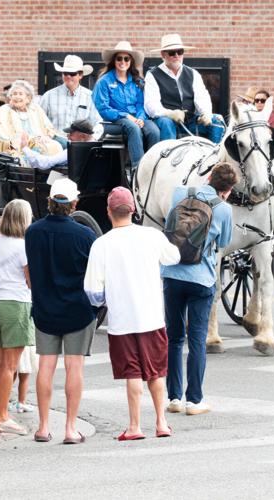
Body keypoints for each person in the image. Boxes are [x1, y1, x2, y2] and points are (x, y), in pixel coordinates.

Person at [84, 187, 180, 440]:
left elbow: (93, 291)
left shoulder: (101, 244)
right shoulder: (152, 236)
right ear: (133, 210)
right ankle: (161, 422)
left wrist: (107, 298)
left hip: (122, 320)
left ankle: (135, 426)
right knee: (156, 373)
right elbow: (174, 257)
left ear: (108, 212)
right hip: (151, 316)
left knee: (133, 374)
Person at [25, 178, 96, 444]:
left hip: (45, 307)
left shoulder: (33, 232)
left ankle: (43, 426)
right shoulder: (85, 236)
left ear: (50, 202)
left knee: (46, 365)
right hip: (77, 308)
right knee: (74, 366)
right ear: (74, 203)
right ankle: (70, 427)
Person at [162, 163, 237, 416]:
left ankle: (173, 397)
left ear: (208, 177)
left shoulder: (179, 193)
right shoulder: (224, 208)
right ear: (227, 190)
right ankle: (194, 400)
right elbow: (224, 243)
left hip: (172, 274)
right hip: (201, 279)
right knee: (196, 340)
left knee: (173, 338)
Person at [0, 199, 34, 436]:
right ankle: (1, 415)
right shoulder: (23, 246)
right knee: (10, 365)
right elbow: (30, 280)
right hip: (14, 304)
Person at [144, 34, 224, 144]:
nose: (176, 55)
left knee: (217, 120)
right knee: (166, 122)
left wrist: (206, 114)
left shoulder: (193, 73)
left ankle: (214, 157)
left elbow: (202, 98)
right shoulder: (152, 75)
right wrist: (170, 113)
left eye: (180, 51)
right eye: (172, 52)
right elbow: (151, 106)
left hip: (190, 122)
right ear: (163, 54)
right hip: (167, 122)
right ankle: (168, 158)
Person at [93, 41, 160, 169]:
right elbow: (103, 109)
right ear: (114, 61)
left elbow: (141, 103)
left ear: (131, 61)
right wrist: (126, 116)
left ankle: (152, 168)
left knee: (154, 131)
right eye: (119, 58)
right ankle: (138, 169)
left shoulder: (138, 81)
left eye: (126, 58)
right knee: (133, 128)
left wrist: (140, 118)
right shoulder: (104, 81)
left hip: (136, 118)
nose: (123, 62)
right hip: (113, 122)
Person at [0, 80, 61, 159]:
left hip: (38, 141)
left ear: (28, 98)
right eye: (14, 94)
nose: (17, 96)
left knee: (56, 146)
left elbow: (48, 127)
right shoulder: (5, 109)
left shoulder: (36, 109)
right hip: (15, 146)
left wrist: (46, 136)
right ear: (10, 98)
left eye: (20, 94)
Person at [40, 55, 101, 141]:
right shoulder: (48, 96)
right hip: (55, 145)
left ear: (80, 75)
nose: (68, 76)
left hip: (81, 146)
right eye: (65, 73)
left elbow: (98, 123)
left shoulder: (90, 97)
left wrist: (91, 140)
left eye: (72, 73)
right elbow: (38, 121)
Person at [21, 119, 94, 170]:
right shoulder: (98, 147)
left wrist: (25, 149)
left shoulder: (75, 150)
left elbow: (45, 163)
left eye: (71, 134)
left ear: (83, 136)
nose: (68, 136)